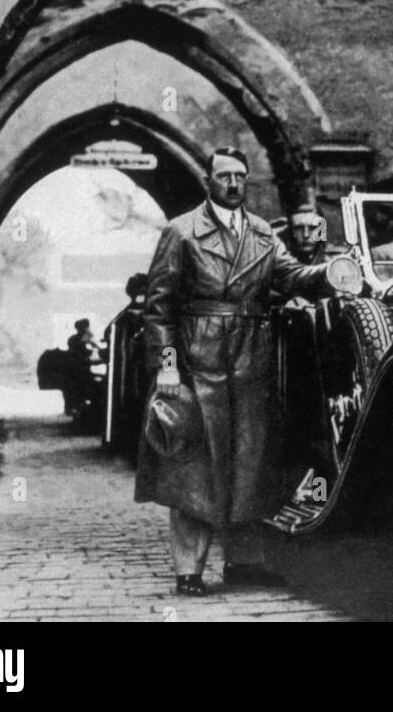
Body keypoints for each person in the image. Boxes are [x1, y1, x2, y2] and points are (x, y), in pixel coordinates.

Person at [135, 147, 330, 597]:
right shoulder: (181, 232)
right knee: (193, 466)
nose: (233, 183)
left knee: (250, 460)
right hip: (198, 356)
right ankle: (189, 569)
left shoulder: (262, 233)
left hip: (251, 356)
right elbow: (158, 309)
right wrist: (167, 369)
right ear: (210, 180)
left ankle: (245, 562)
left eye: (240, 175)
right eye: (224, 176)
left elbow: (293, 276)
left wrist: (330, 274)